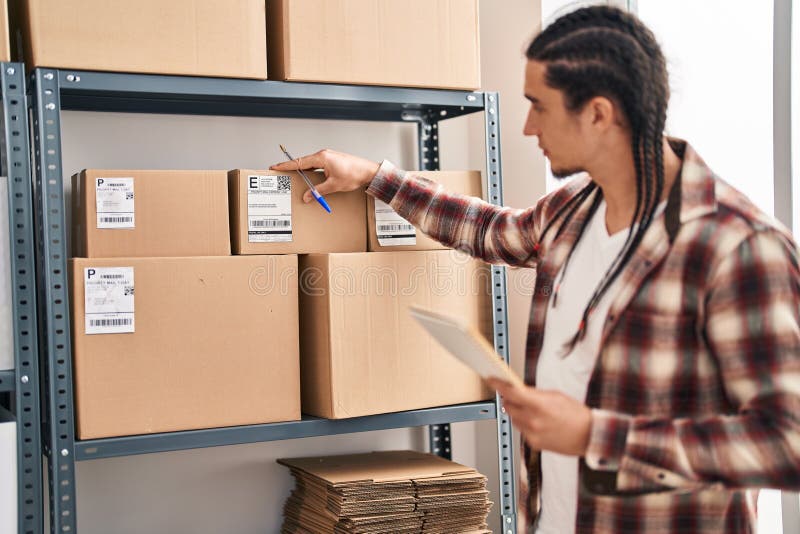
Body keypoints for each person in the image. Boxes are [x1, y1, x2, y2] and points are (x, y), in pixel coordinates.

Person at [270, 5, 800, 533]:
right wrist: (371, 175)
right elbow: (486, 229)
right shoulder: (571, 211)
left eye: (538, 106)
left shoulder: (737, 249)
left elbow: (786, 444)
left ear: (598, 113)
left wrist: (597, 435)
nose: (526, 126)